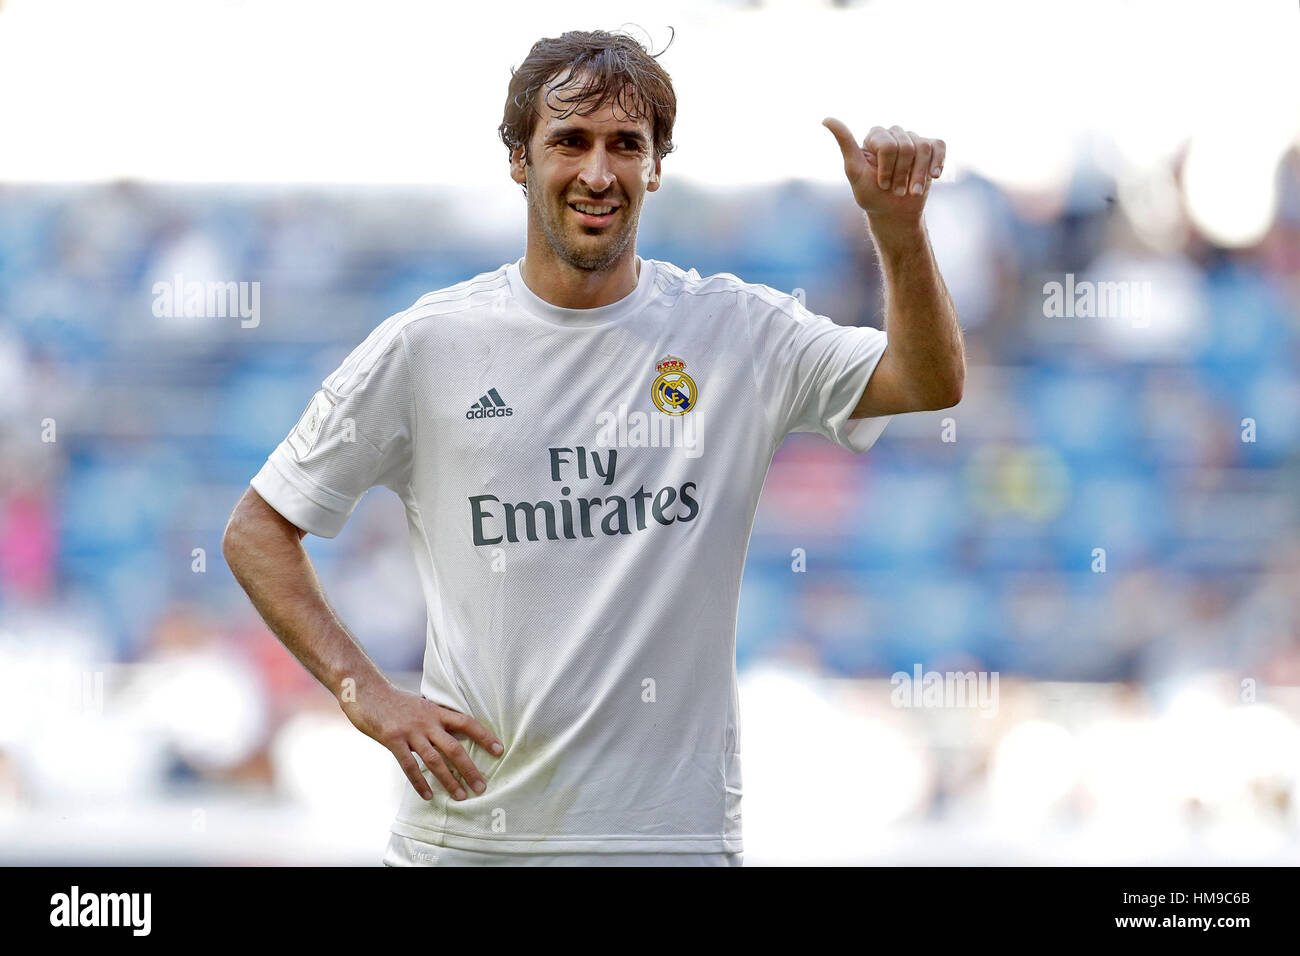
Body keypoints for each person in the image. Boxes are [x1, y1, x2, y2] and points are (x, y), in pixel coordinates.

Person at [222, 28, 964, 867]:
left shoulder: (735, 331)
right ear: (518, 160)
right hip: (470, 842)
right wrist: (365, 694)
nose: (598, 173)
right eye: (569, 142)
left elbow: (926, 384)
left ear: (656, 166)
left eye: (626, 145)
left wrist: (899, 232)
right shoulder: (431, 345)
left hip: (668, 846)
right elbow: (257, 529)